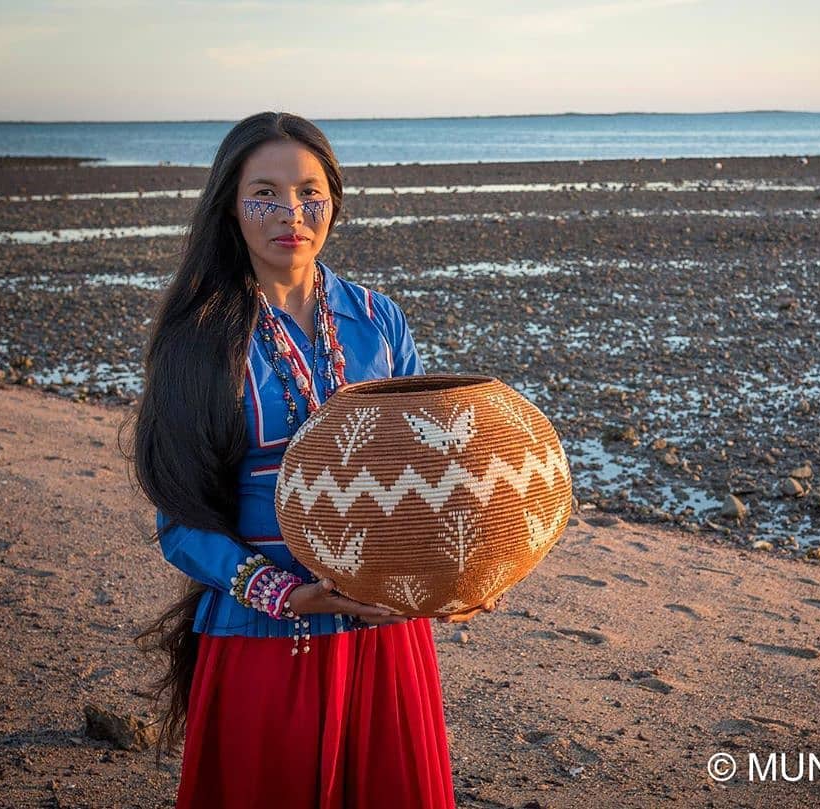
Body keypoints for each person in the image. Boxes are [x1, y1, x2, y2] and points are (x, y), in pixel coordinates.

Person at [131, 111, 494, 809]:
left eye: (308, 192)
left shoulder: (379, 320)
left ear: (333, 200)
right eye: (263, 193)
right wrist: (289, 595)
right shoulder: (199, 336)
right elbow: (179, 520)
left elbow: (432, 476)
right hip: (266, 638)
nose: (289, 212)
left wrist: (459, 574)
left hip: (386, 635)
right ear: (230, 207)